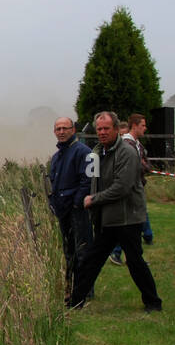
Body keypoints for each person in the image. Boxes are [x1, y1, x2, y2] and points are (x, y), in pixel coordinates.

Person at [69, 112, 162, 313]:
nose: (102, 132)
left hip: (127, 218)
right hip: (105, 219)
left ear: (116, 129)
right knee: (91, 260)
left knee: (135, 261)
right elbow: (92, 181)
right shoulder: (95, 152)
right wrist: (85, 198)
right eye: (99, 129)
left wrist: (94, 199)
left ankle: (153, 302)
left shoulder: (126, 153)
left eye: (106, 128)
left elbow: (123, 187)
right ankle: (75, 301)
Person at [48, 117, 94, 304]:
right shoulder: (57, 156)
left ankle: (86, 290)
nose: (61, 131)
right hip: (63, 211)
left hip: (79, 210)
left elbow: (89, 181)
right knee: (69, 251)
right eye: (58, 128)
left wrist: (77, 203)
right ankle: (74, 287)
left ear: (73, 130)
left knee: (83, 250)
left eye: (65, 128)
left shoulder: (86, 153)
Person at [109, 113, 154, 264]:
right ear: (134, 126)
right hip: (128, 189)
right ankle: (117, 253)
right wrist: (142, 166)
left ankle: (132, 256)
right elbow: (135, 166)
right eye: (142, 125)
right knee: (128, 224)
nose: (145, 128)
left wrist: (144, 165)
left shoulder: (137, 144)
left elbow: (146, 165)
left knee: (132, 225)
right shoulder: (127, 144)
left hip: (136, 187)